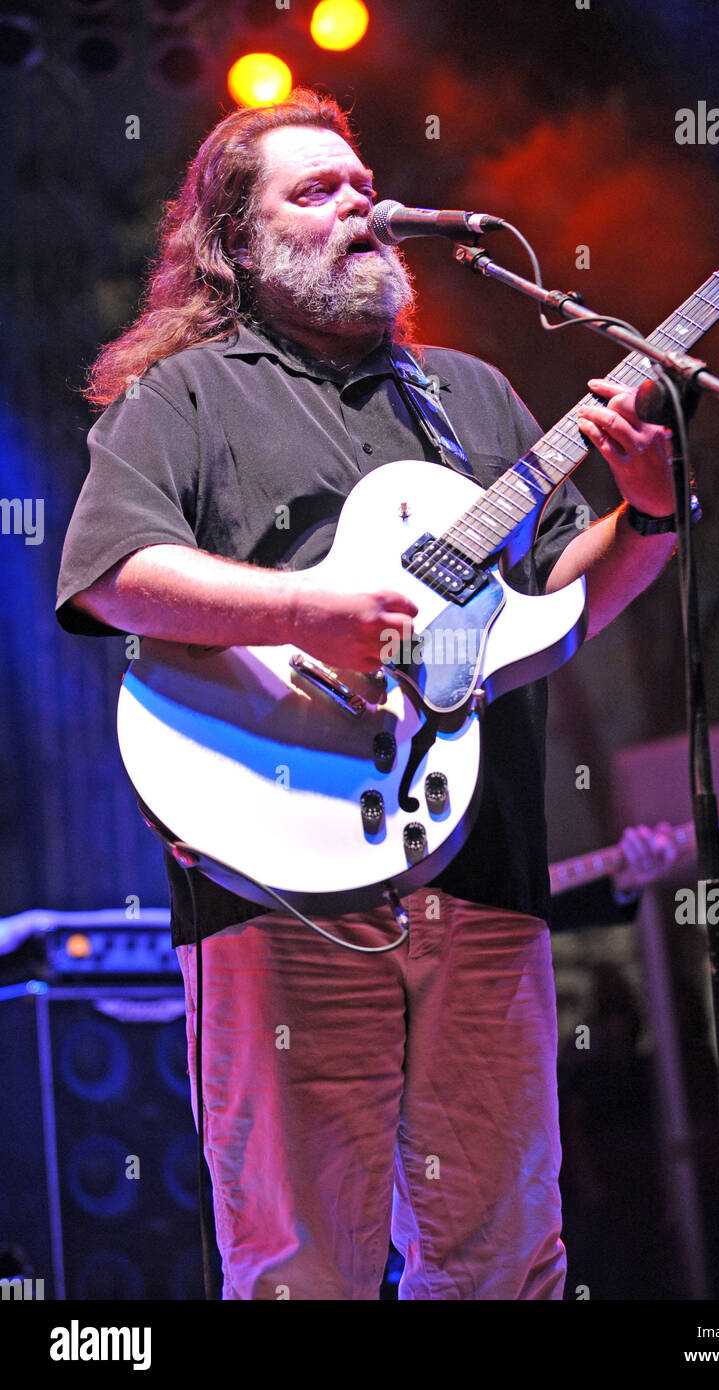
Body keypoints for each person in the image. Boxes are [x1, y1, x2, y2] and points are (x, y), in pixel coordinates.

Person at [55, 92, 679, 1300]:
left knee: (506, 1260)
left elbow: (560, 605)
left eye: (361, 183)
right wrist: (306, 612)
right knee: (302, 1265)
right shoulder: (186, 395)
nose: (358, 203)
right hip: (276, 871)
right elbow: (112, 574)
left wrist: (645, 514)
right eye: (315, 190)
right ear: (238, 244)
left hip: (482, 868)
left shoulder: (469, 396)